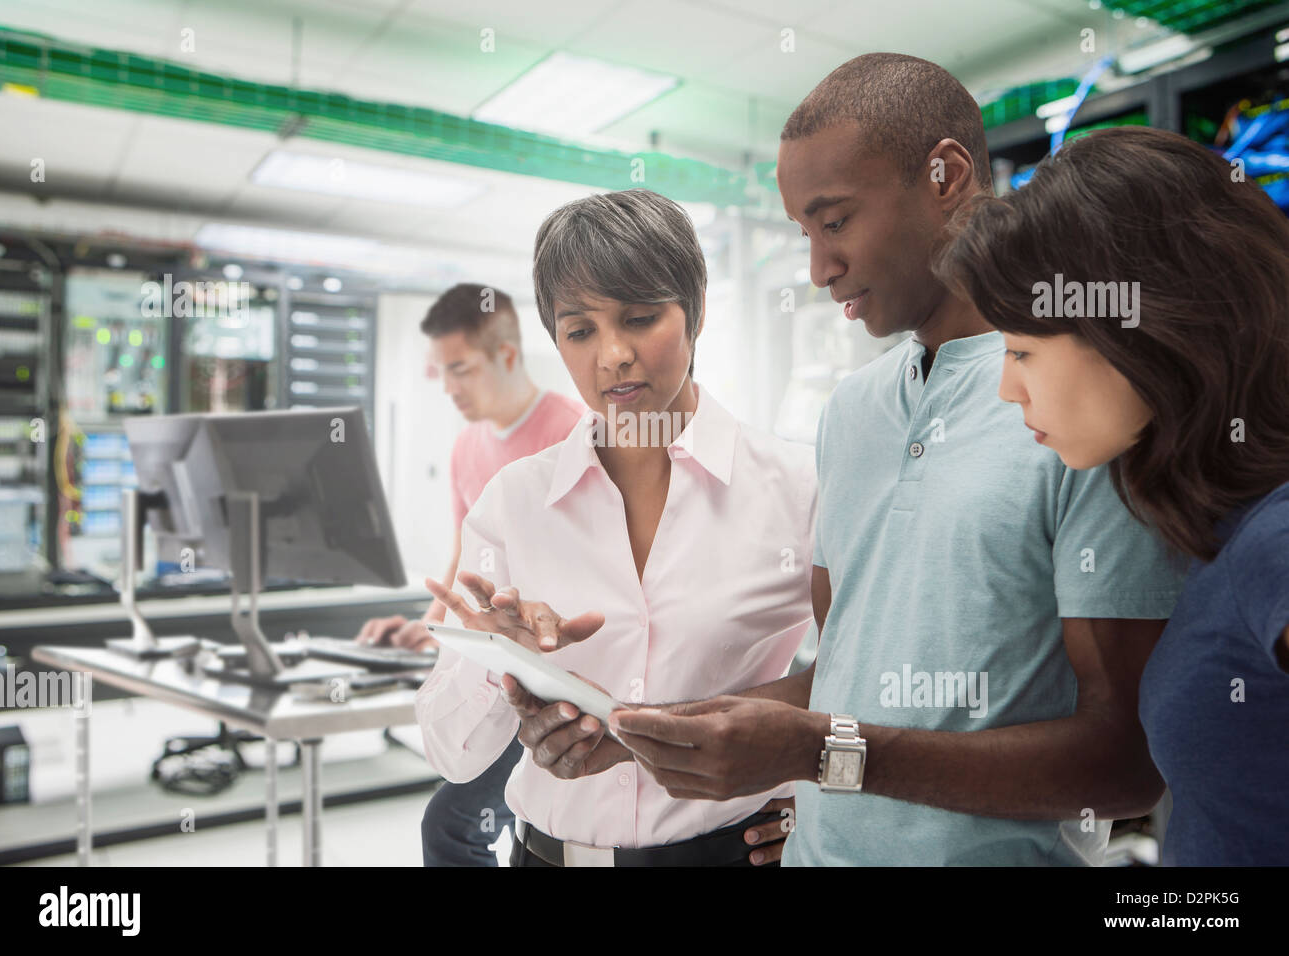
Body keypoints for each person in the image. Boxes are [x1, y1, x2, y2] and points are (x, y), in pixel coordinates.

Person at [611, 53, 1190, 866]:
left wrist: (823, 754)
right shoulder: (850, 413)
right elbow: (844, 678)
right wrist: (652, 731)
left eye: (836, 221)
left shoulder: (1082, 413)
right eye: (805, 234)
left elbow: (1126, 763)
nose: (819, 269)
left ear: (946, 176)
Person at [417, 187, 816, 866]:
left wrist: (825, 801)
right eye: (580, 331)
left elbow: (866, 682)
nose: (613, 355)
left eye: (640, 318)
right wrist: (500, 661)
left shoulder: (797, 487)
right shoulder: (516, 501)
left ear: (695, 310)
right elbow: (452, 756)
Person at [934, 125, 1289, 865]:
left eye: (1022, 350)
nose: (1007, 388)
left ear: (1139, 333)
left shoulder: (1274, 538)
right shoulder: (1217, 527)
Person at [357, 283, 583, 867]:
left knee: (452, 825)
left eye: (459, 369)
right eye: (442, 372)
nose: (450, 388)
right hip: (490, 660)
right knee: (454, 808)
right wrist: (429, 625)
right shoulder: (466, 447)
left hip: (549, 668)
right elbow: (466, 551)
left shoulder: (573, 432)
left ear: (506, 355)